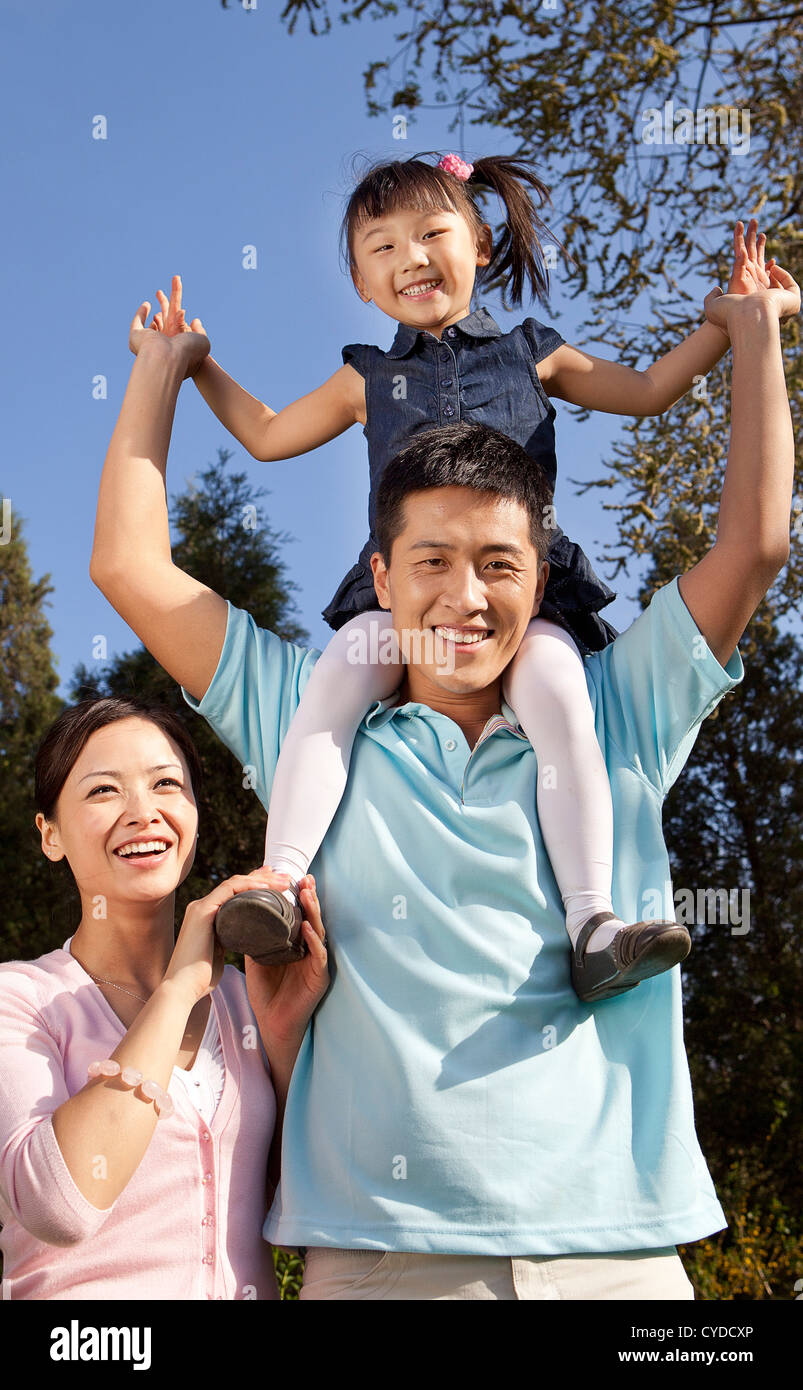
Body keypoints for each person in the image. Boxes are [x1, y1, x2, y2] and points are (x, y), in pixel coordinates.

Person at [90, 243, 797, 1299]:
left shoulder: (613, 708)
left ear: (541, 574)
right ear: (379, 576)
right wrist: (161, 367)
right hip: (379, 1255)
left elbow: (751, 548)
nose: (463, 597)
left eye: (498, 566)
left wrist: (754, 334)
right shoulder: (306, 719)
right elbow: (128, 569)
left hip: (613, 1254)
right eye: (430, 563)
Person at [144, 153, 766, 1001]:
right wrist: (193, 362)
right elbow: (265, 435)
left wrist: (729, 325)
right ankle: (278, 887)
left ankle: (592, 923)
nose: (412, 257)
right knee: (333, 687)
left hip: (521, 595)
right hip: (403, 600)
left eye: (433, 233)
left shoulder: (529, 354)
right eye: (382, 245)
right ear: (362, 283)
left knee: (557, 695)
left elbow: (651, 390)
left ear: (476, 240)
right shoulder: (365, 376)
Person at [0, 697, 328, 1300]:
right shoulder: (17, 1000)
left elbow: (299, 1219)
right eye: (104, 792)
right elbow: (60, 1207)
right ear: (50, 835)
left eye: (167, 784)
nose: (142, 813)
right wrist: (178, 991)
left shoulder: (242, 995)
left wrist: (280, 1035)